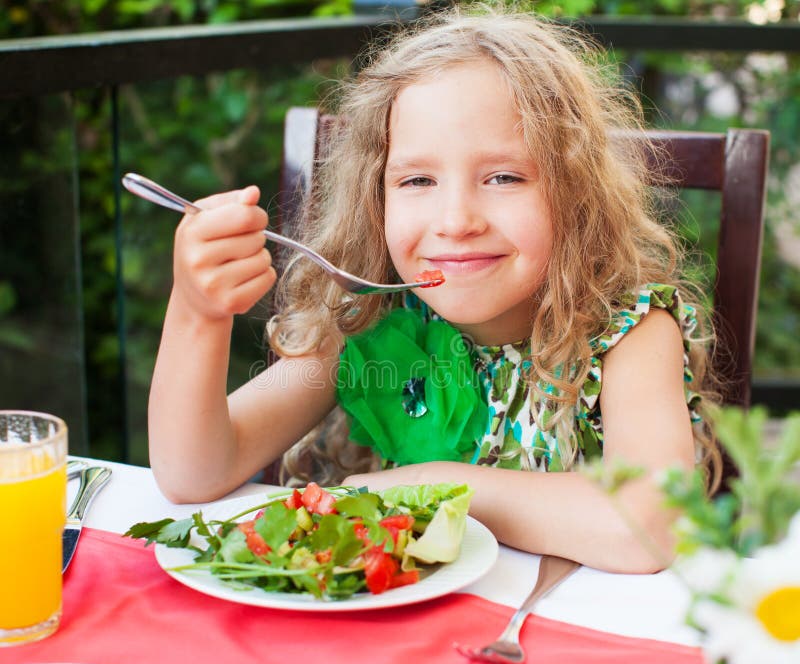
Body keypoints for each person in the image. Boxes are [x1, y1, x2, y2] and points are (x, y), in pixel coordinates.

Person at [148, 7, 720, 573]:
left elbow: (651, 524)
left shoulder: (629, 333)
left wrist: (432, 484)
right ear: (377, 200)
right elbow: (193, 473)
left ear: (577, 193)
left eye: (504, 177)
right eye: (418, 180)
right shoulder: (369, 319)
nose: (456, 220)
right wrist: (198, 314)